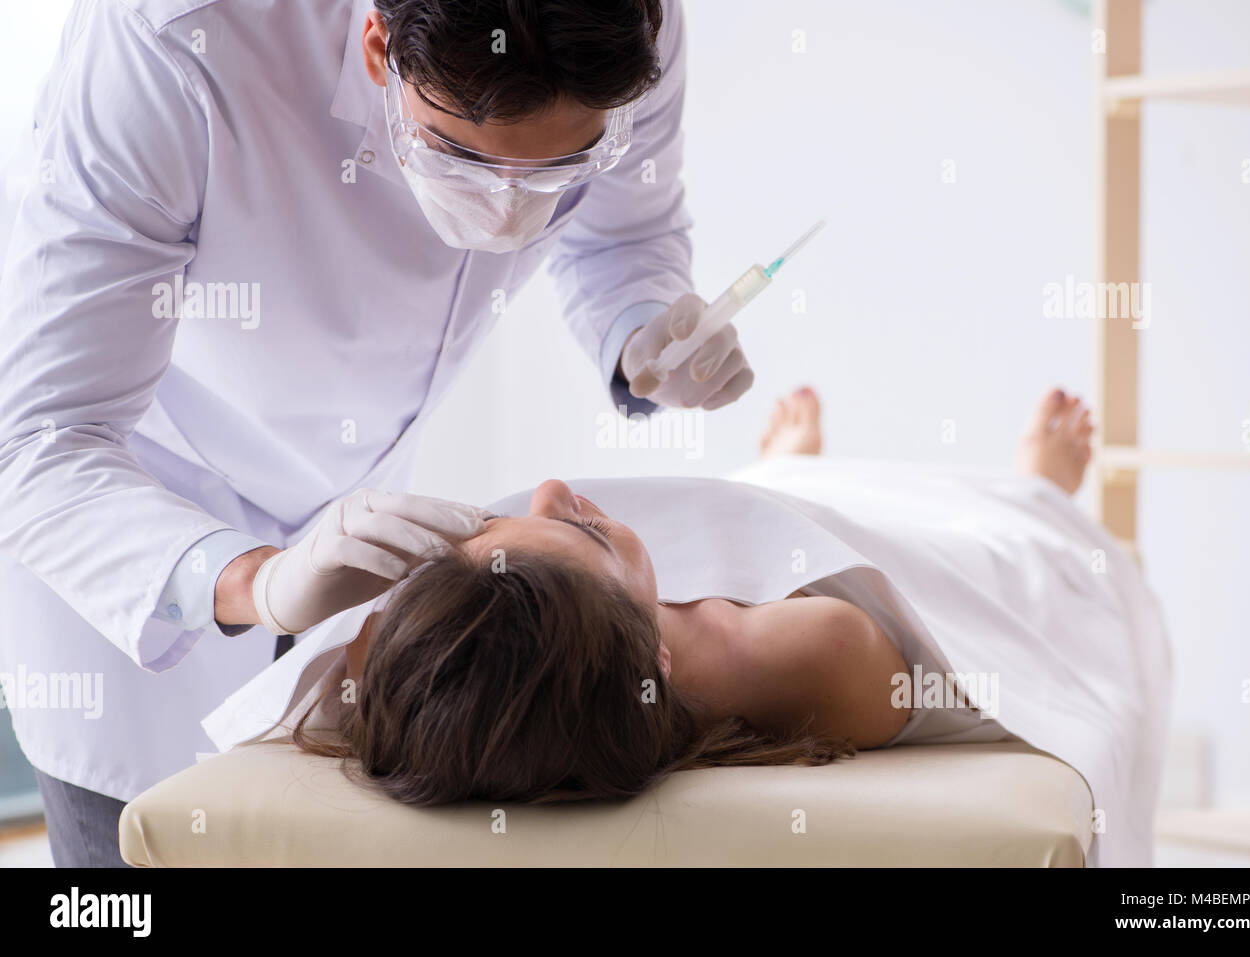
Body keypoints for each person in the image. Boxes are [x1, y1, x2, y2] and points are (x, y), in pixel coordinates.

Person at [0, 0, 749, 866]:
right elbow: (44, 438)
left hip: (364, 567)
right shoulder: (173, 39)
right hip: (141, 534)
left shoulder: (630, 29)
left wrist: (646, 333)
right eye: (459, 154)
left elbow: (627, 234)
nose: (509, 219)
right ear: (377, 45)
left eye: (560, 166)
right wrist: (262, 582)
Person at [290, 386, 1172, 865]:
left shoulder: (437, 667)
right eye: (589, 528)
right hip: (890, 567)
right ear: (657, 656)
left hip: (764, 530)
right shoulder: (801, 651)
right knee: (990, 539)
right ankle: (1038, 495)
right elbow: (978, 615)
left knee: (766, 499)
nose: (557, 487)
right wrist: (1034, 515)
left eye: (493, 528)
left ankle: (780, 472)